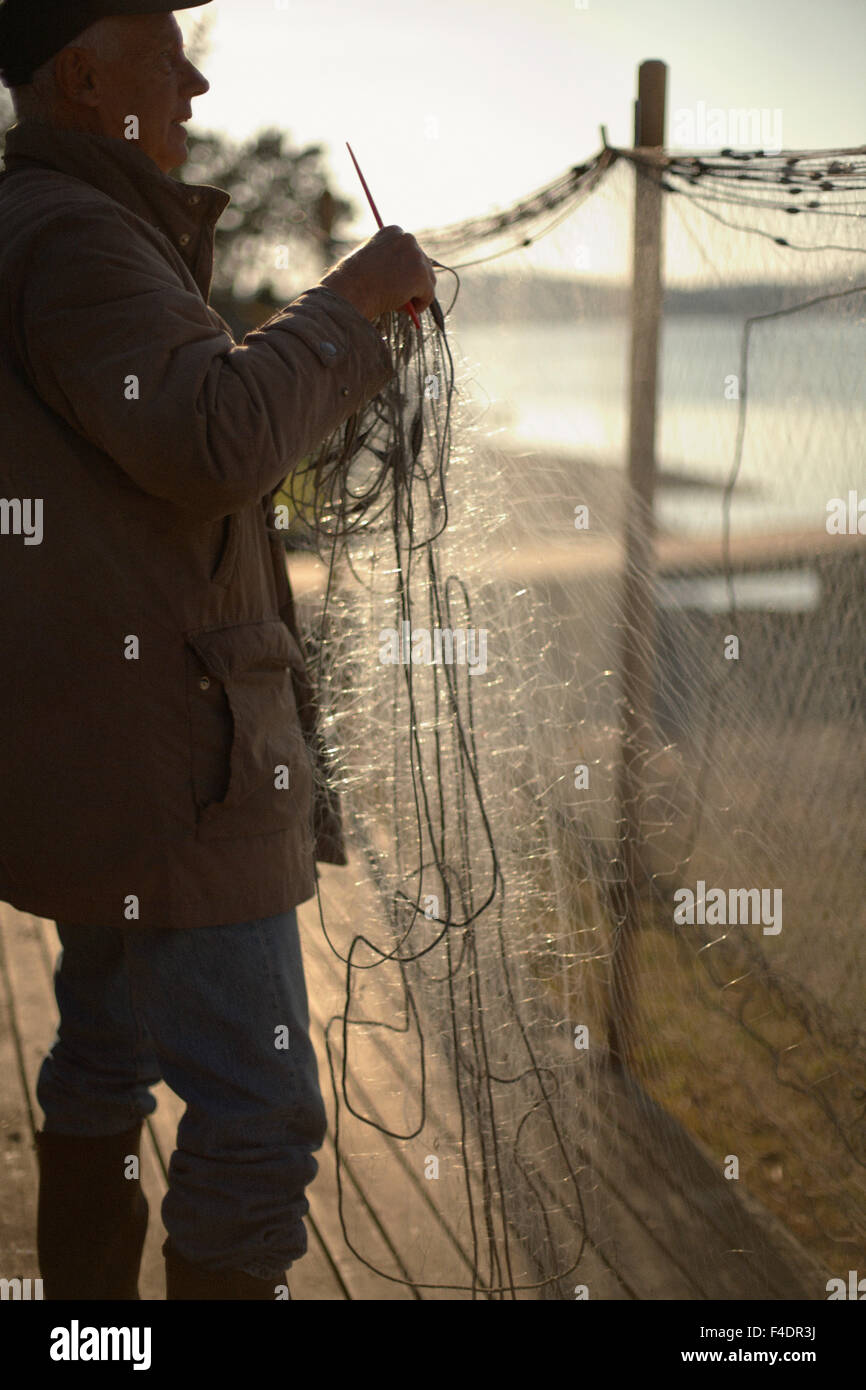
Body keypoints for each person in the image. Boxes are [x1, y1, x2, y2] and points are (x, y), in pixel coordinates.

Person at [0, 0, 436, 1299]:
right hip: (176, 761)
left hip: (104, 742)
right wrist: (352, 304)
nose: (192, 85)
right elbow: (210, 439)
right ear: (85, 77)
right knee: (257, 1119)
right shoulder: (78, 237)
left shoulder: (47, 222)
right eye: (164, 53)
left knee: (103, 1051)